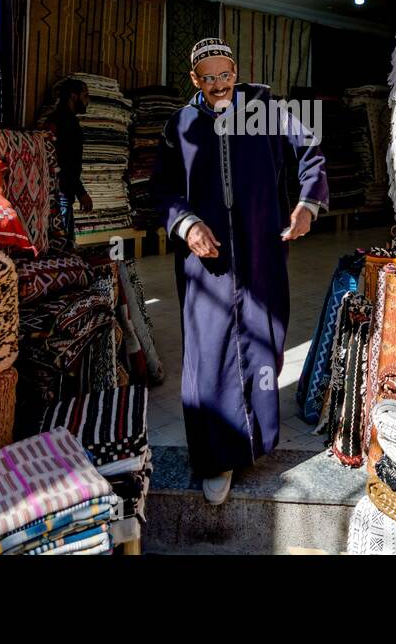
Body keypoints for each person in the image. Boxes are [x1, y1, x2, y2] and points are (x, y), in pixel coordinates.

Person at [153, 38, 328, 505]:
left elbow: (309, 147)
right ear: (194, 80)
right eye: (207, 78)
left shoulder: (266, 110)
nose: (218, 85)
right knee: (209, 353)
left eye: (224, 75)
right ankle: (216, 458)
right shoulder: (181, 124)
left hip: (260, 249)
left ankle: (255, 443)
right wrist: (186, 225)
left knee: (262, 340)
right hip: (204, 258)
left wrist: (308, 204)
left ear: (236, 70)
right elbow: (162, 189)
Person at [49, 77, 92, 244]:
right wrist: (81, 192)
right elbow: (66, 163)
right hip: (62, 191)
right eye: (85, 95)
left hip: (57, 191)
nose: (88, 101)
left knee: (64, 242)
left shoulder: (56, 119)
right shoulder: (68, 123)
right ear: (74, 96)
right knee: (62, 245)